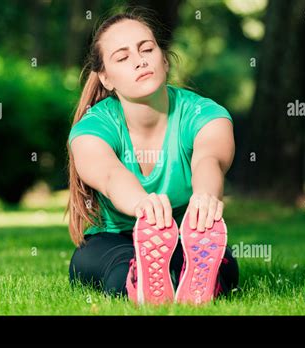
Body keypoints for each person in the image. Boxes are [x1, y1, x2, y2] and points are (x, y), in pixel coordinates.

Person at [65, 8, 239, 305]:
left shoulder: (204, 114)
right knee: (119, 266)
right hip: (114, 237)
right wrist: (142, 205)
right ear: (105, 77)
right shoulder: (93, 127)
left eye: (147, 49)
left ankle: (199, 277)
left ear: (164, 59)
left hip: (187, 235)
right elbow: (109, 174)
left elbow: (208, 159)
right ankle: (146, 278)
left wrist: (205, 197)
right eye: (123, 57)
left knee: (216, 262)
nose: (140, 60)